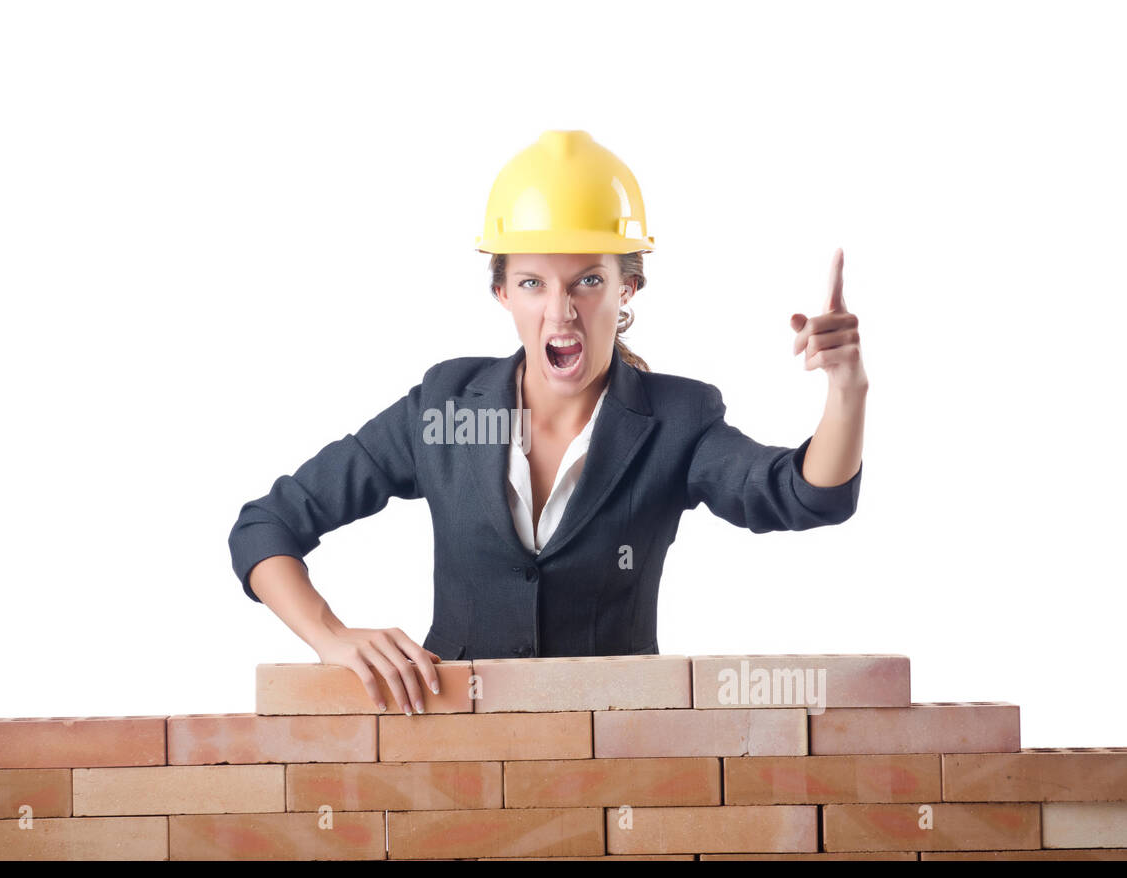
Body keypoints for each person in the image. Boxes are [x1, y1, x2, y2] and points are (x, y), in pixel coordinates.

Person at [229, 130, 867, 716]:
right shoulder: (449, 412)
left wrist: (846, 388)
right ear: (502, 293)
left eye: (588, 280)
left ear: (628, 289)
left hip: (616, 761)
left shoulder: (674, 423)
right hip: (449, 758)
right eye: (533, 282)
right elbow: (266, 526)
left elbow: (805, 495)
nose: (561, 312)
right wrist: (331, 636)